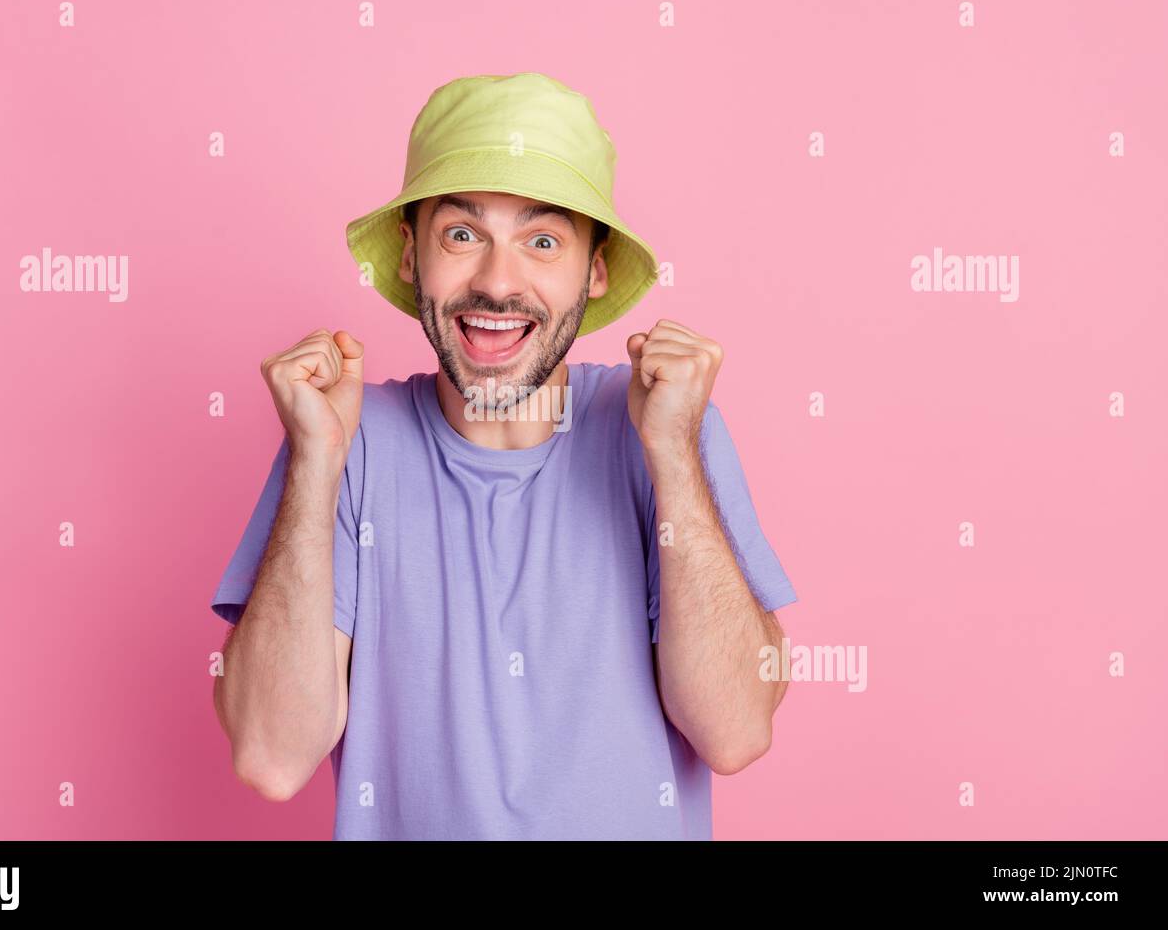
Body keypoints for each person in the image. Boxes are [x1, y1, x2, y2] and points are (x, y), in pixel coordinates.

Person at [210, 72, 797, 840]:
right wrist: (316, 463)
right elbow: (270, 755)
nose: (496, 282)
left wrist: (673, 455)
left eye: (543, 241)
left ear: (595, 271)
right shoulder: (349, 442)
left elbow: (736, 731)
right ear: (412, 255)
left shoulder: (662, 429)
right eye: (462, 234)